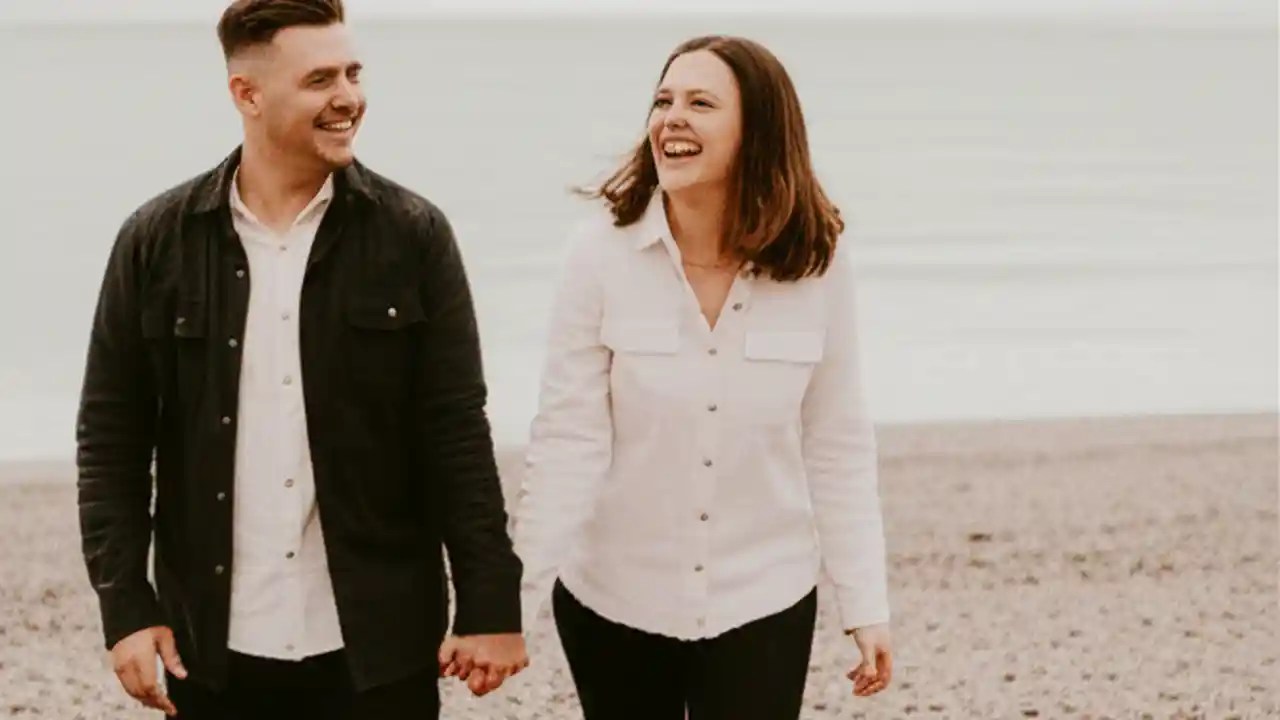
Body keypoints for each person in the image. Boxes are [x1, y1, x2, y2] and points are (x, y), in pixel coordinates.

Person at [74, 1, 526, 717]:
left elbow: (455, 429)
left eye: (352, 72)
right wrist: (126, 606)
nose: (348, 96)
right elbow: (111, 439)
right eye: (320, 79)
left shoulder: (413, 235)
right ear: (246, 95)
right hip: (213, 649)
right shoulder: (156, 241)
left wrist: (491, 601)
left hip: (377, 647)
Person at [512, 35, 893, 718]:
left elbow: (836, 442)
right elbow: (568, 438)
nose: (671, 118)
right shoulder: (600, 253)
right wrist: (514, 601)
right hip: (613, 598)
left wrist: (865, 605)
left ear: (758, 131)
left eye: (701, 103)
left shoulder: (819, 262)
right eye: (663, 101)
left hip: (764, 596)